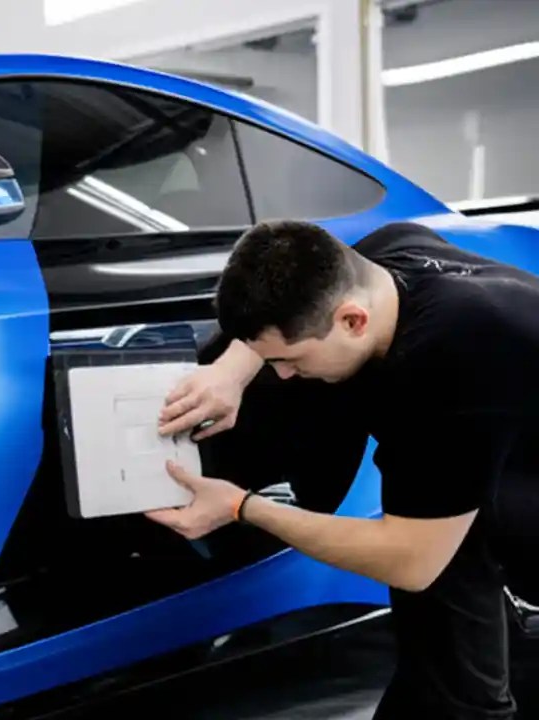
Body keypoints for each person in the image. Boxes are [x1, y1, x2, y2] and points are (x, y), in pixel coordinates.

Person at [148, 218, 539, 719]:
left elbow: (409, 562)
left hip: (524, 475)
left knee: (440, 563)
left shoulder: (456, 362)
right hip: (494, 435)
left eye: (290, 359)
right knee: (446, 665)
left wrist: (240, 507)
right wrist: (227, 372)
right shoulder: (380, 258)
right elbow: (296, 309)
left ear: (353, 321)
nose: (283, 374)